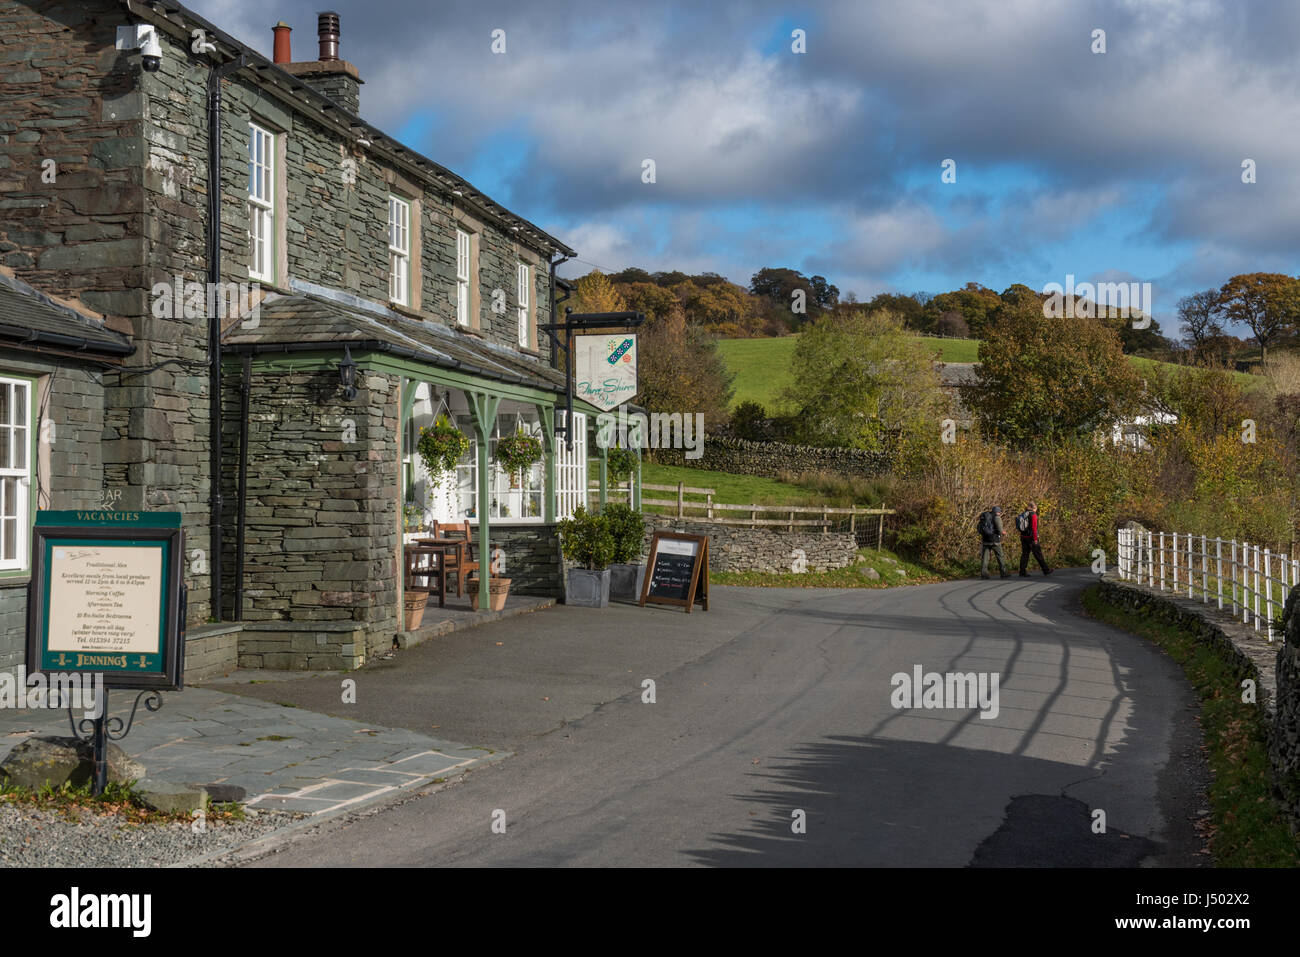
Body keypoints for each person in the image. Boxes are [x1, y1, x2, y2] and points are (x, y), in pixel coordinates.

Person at [1016, 501, 1052, 576]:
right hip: (1031, 538)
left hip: (1023, 537)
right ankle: (1046, 570)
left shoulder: (1024, 513)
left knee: (1025, 554)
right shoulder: (1033, 515)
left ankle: (1022, 571)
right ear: (1034, 507)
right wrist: (1035, 539)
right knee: (1038, 554)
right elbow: (1034, 528)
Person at [977, 504, 1009, 579]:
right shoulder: (997, 518)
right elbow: (1000, 530)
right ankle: (1003, 573)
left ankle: (984, 574)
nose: (1000, 513)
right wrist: (1004, 532)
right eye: (1000, 512)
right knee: (1000, 556)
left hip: (985, 540)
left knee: (985, 558)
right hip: (995, 541)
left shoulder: (985, 516)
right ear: (997, 512)